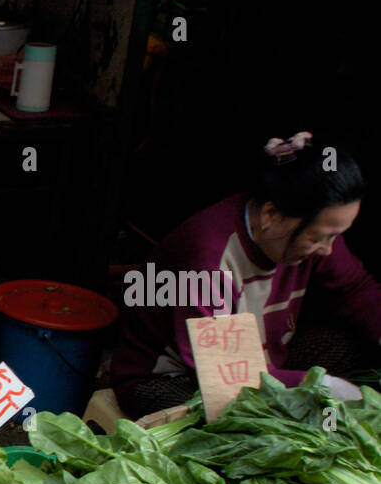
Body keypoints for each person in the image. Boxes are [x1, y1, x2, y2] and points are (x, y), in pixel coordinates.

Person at [111, 133, 381, 419]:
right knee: (244, 432)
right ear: (271, 215)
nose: (328, 250)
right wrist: (321, 385)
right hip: (174, 379)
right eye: (320, 237)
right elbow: (226, 376)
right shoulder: (207, 258)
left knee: (357, 345)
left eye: (336, 236)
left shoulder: (309, 236)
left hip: (262, 358)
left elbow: (354, 289)